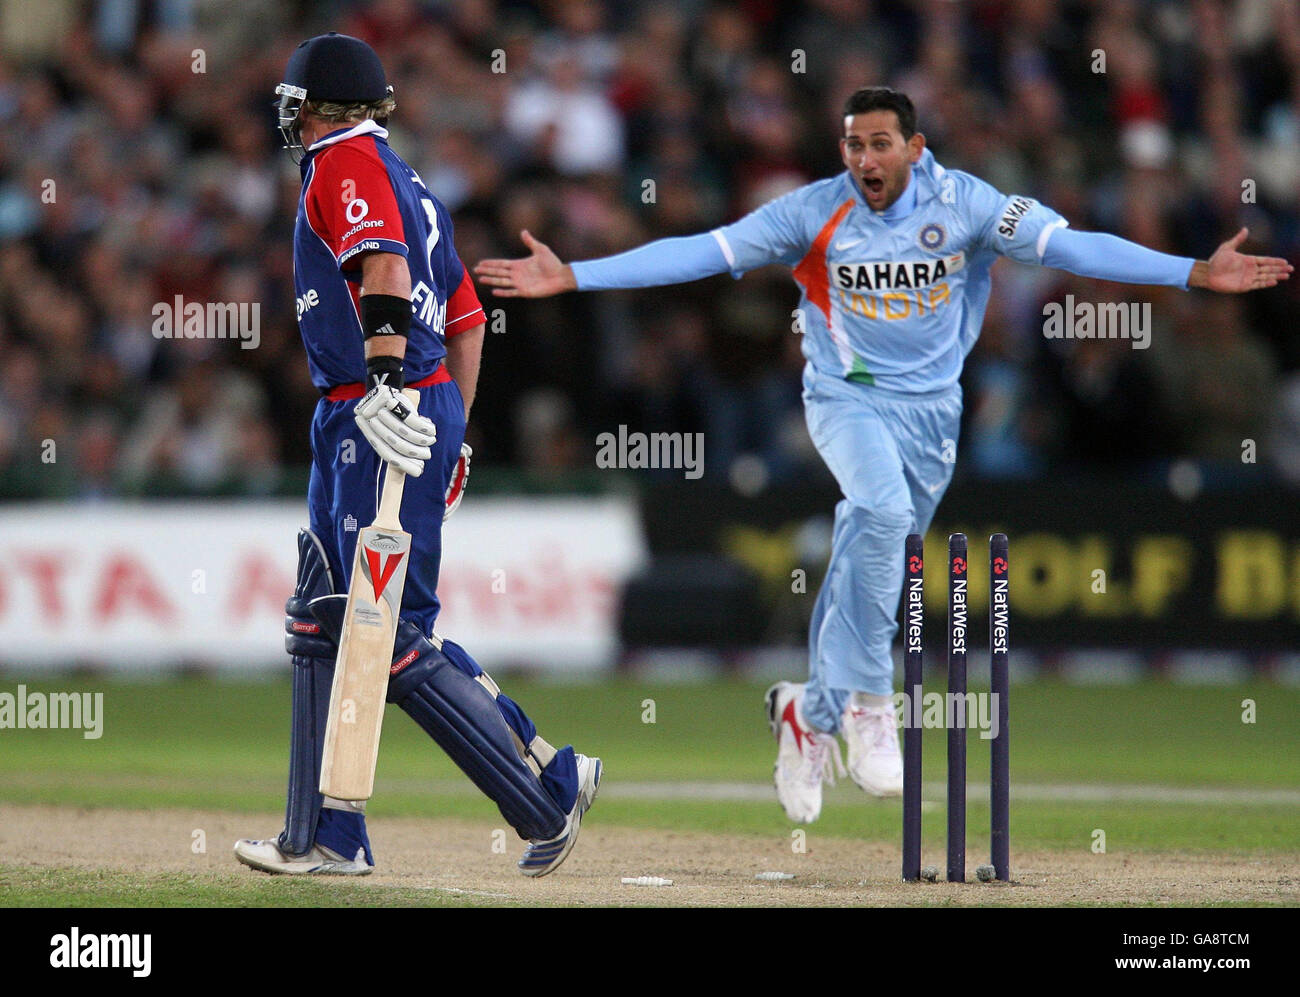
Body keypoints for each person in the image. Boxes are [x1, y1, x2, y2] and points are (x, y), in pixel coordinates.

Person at [475, 87, 1290, 824]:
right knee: (882, 513)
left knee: (871, 546)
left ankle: (807, 714)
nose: (865, 160)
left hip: (934, 413)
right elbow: (701, 251)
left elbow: (1073, 248)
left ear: (914, 146)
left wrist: (1192, 271)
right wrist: (574, 275)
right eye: (853, 145)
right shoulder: (813, 211)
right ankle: (871, 705)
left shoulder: (969, 204)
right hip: (845, 396)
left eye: (879, 144)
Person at [235, 33, 600, 876]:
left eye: (296, 104)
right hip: (388, 406)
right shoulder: (411, 181)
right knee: (325, 611)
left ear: (316, 108)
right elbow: (467, 320)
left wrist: (387, 384)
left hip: (375, 404)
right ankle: (326, 832)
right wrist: (452, 427)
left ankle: (541, 801)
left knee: (381, 626)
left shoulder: (343, 161)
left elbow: (386, 271)